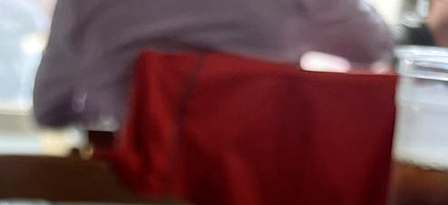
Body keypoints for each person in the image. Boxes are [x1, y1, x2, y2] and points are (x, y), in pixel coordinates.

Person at [33, 0, 394, 129]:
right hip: (270, 201)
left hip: (138, 199)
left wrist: (115, 104)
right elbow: (374, 45)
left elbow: (49, 109)